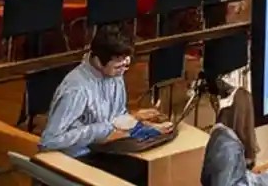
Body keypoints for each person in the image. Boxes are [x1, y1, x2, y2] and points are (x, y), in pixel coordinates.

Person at [40, 26, 172, 181]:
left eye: (126, 65)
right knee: (135, 173)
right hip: (78, 156)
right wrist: (100, 130)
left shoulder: (115, 74)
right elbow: (49, 140)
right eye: (118, 66)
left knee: (150, 168)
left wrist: (142, 124)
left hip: (104, 147)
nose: (123, 71)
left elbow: (116, 118)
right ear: (97, 60)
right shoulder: (76, 88)